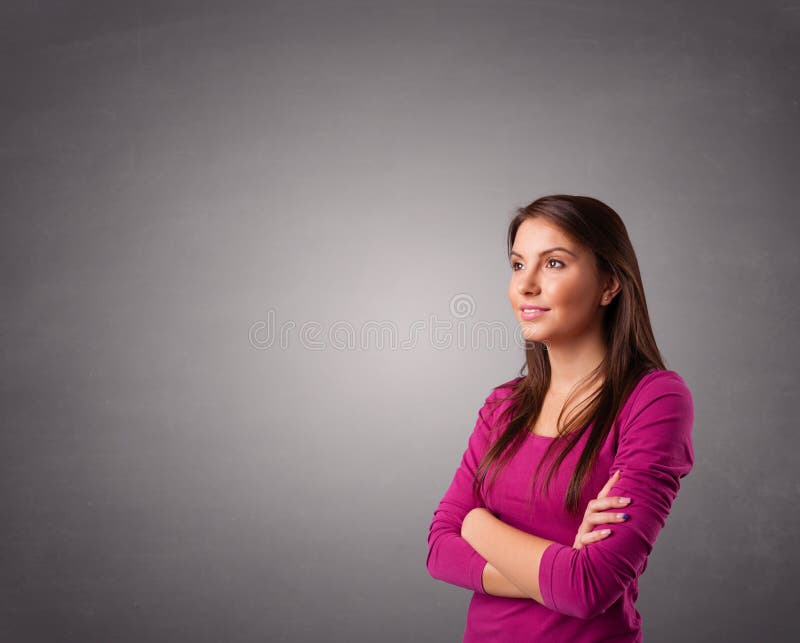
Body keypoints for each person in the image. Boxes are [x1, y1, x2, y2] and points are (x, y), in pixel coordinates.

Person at [426, 195, 695, 642]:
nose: (526, 285)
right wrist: (560, 564)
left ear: (609, 284)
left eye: (553, 264)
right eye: (517, 265)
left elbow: (589, 588)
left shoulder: (654, 400)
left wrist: (476, 524)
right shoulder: (502, 406)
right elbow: (439, 548)